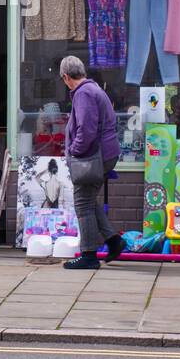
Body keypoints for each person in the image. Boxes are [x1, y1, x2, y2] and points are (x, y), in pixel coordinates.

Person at [59, 56, 125, 269]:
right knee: (88, 200)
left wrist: (74, 151)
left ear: (66, 77)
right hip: (104, 155)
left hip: (93, 157)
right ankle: (114, 241)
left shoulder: (83, 93)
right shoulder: (92, 89)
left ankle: (88, 255)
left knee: (83, 203)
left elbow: (86, 130)